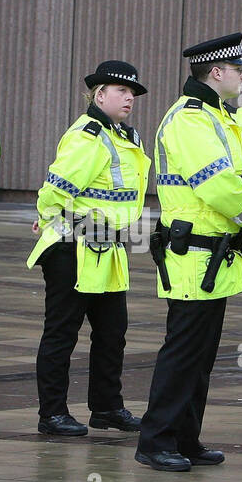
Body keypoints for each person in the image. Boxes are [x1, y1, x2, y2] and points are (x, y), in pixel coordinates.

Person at [136, 33, 242, 472]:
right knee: (183, 352)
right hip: (194, 252)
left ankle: (184, 437)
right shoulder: (191, 119)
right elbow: (217, 184)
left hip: (211, 253)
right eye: (238, 69)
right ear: (216, 72)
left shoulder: (220, 117)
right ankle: (156, 440)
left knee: (200, 355)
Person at [28, 61, 151, 437]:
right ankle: (52, 414)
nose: (129, 97)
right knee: (62, 333)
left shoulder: (125, 138)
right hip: (73, 246)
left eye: (132, 93)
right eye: (121, 91)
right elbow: (55, 189)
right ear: (99, 95)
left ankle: (107, 408)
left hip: (107, 248)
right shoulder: (89, 135)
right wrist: (48, 219)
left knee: (112, 333)